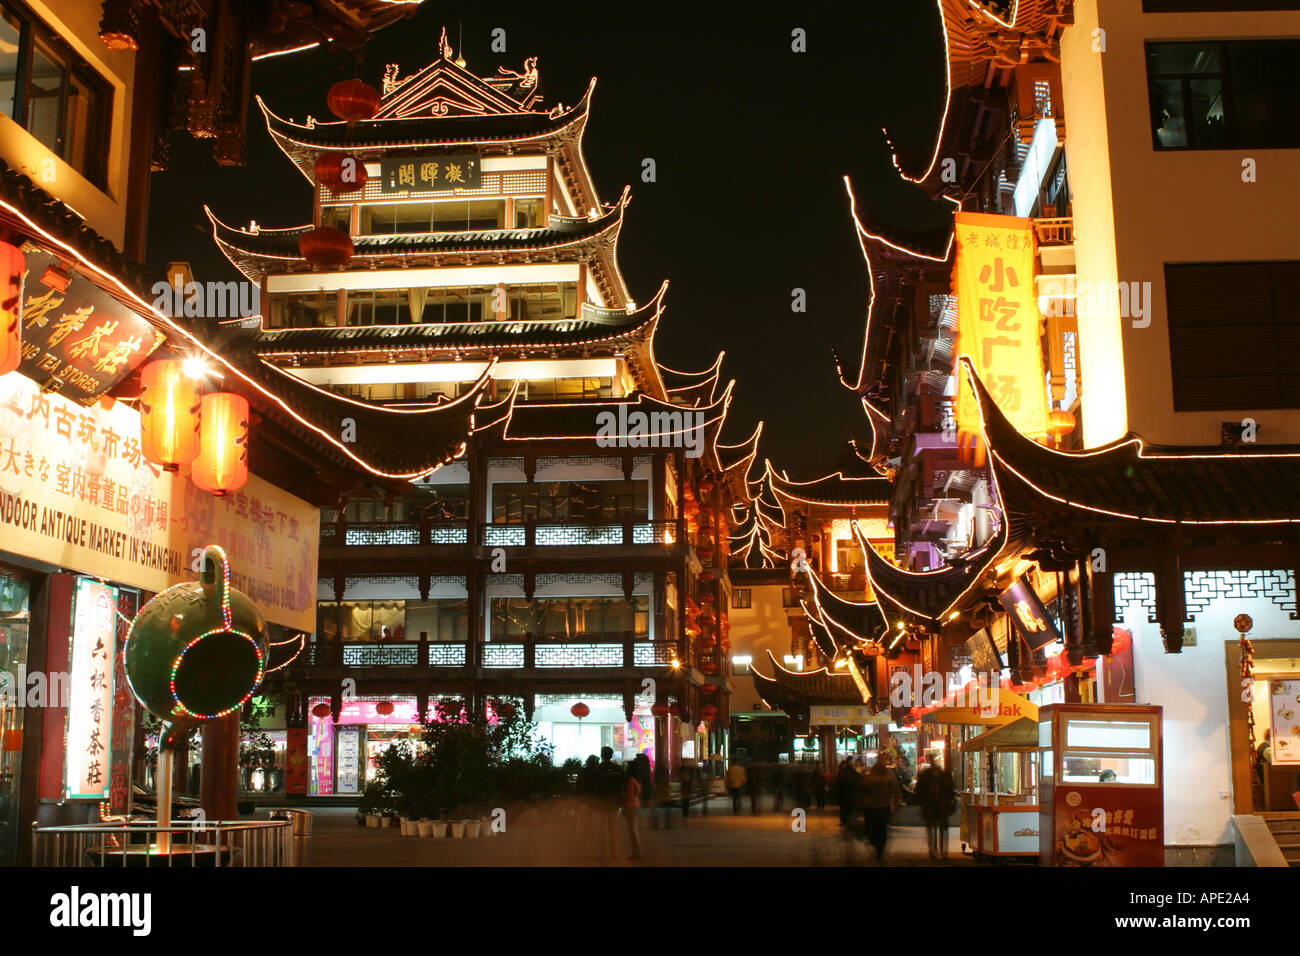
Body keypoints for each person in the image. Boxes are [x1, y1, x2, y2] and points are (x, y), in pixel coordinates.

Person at [858, 756, 903, 864]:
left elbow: (895, 790)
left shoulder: (888, 774)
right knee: (872, 827)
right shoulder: (870, 773)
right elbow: (862, 788)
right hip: (871, 806)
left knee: (881, 829)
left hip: (883, 806)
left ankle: (880, 850)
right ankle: (875, 843)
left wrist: (896, 804)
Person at [915, 752, 956, 861]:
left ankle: (938, 851)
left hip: (937, 806)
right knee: (939, 829)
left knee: (937, 829)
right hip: (935, 806)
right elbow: (951, 791)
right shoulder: (943, 775)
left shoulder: (935, 775)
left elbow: (918, 790)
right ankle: (938, 851)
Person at [596, 746, 624, 858]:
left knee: (602, 830)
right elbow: (621, 785)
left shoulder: (599, 769)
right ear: (611, 755)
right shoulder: (618, 769)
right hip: (614, 803)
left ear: (602, 755)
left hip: (602, 803)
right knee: (614, 830)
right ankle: (614, 853)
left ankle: (604, 854)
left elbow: (596, 787)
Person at [622, 764, 643, 860]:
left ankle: (637, 852)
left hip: (630, 806)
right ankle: (637, 851)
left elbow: (629, 795)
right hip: (636, 804)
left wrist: (623, 803)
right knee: (633, 830)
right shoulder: (638, 780)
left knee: (632, 831)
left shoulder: (630, 780)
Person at [835, 758, 858, 826]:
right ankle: (845, 820)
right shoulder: (845, 771)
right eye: (852, 761)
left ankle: (846, 820)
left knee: (846, 807)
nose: (853, 763)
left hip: (846, 792)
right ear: (848, 762)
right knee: (846, 807)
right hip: (846, 792)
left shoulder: (849, 770)